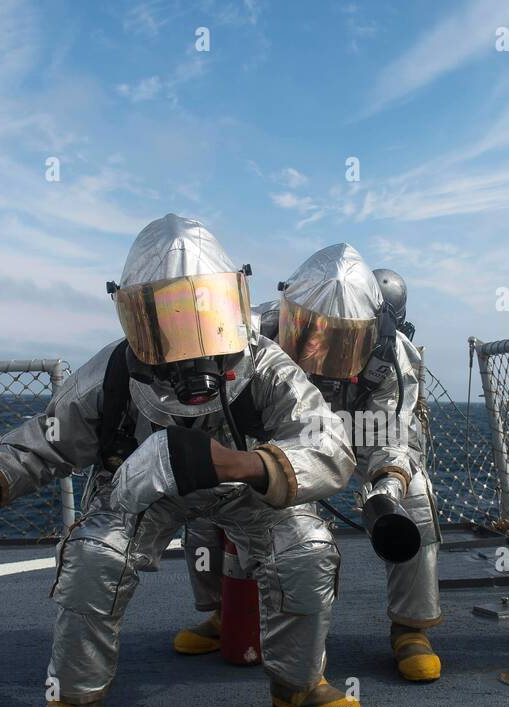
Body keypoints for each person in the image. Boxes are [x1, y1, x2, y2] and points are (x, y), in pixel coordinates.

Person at [0, 213, 361, 707]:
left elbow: (330, 448)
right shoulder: (113, 374)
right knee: (94, 555)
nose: (191, 339)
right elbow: (45, 440)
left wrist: (232, 464)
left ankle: (298, 684)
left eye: (201, 312)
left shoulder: (266, 368)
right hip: (138, 488)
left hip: (242, 483)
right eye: (170, 317)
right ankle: (74, 704)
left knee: (306, 547)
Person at [175, 246, 444, 681]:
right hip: (281, 432)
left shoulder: (392, 355)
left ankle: (412, 628)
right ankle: (225, 613)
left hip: (359, 428)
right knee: (213, 502)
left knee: (414, 498)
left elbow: (392, 432)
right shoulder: (252, 332)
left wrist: (387, 485)